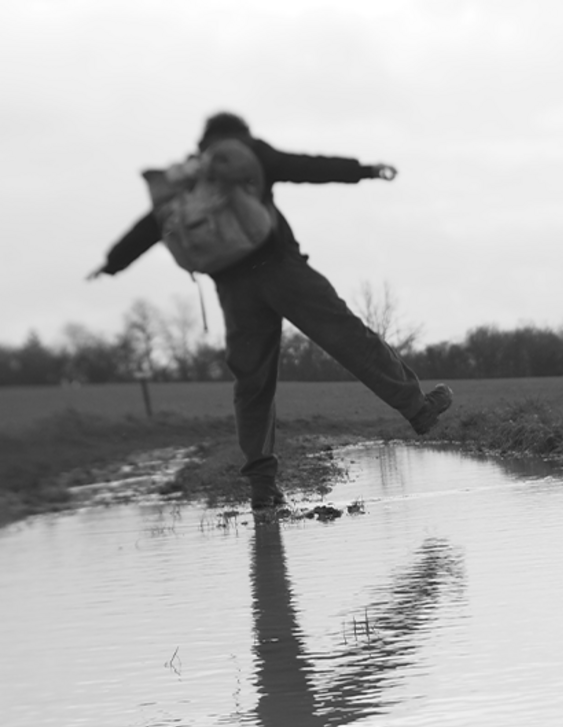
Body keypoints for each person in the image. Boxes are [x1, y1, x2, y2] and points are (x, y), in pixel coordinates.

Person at [88, 111, 453, 508]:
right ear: (239, 134)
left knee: (253, 384)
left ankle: (262, 486)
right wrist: (363, 170)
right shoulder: (244, 155)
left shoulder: (190, 180)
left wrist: (112, 262)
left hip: (233, 289)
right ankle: (418, 409)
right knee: (348, 338)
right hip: (280, 269)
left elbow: (150, 226)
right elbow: (303, 167)